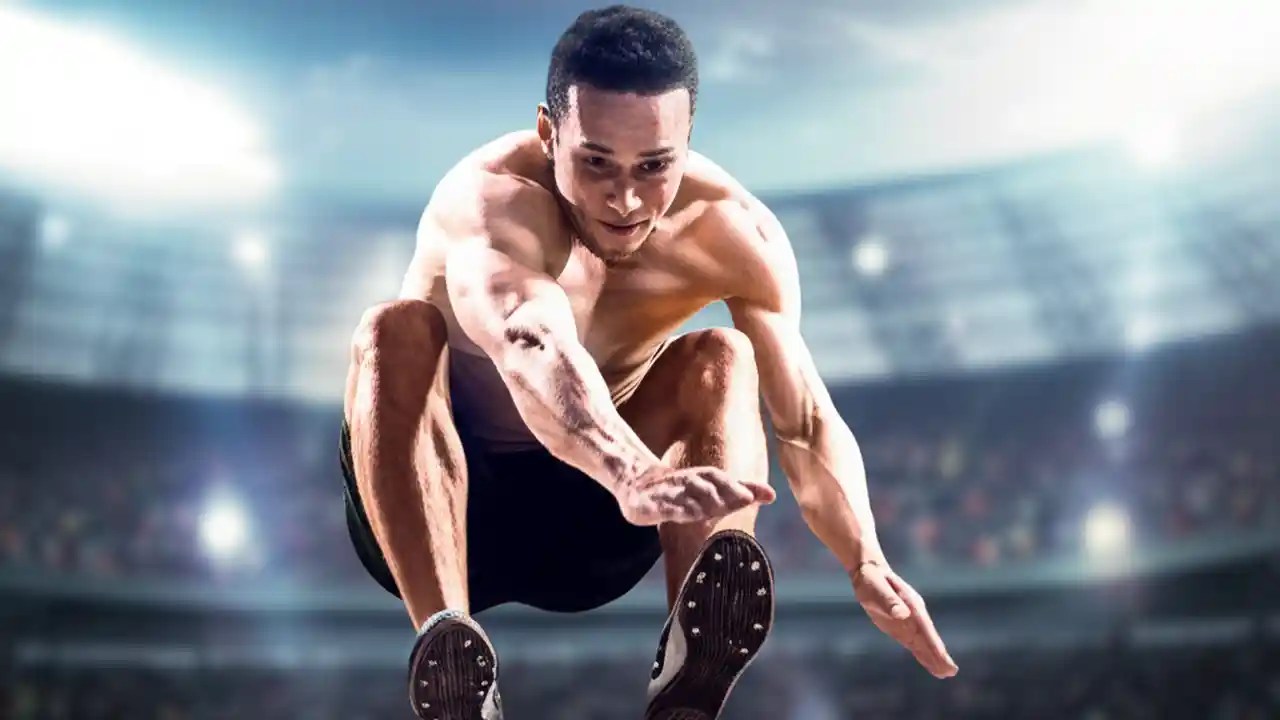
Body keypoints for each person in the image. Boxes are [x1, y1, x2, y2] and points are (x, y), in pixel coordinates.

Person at [339, 5, 958, 718]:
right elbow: (529, 341)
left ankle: (690, 675)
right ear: (549, 132)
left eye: (654, 167)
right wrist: (629, 468)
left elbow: (807, 422)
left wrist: (865, 560)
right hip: (443, 507)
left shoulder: (735, 230)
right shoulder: (490, 203)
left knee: (724, 355)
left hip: (597, 530)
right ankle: (450, 657)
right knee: (394, 331)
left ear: (688, 141)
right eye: (595, 162)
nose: (625, 200)